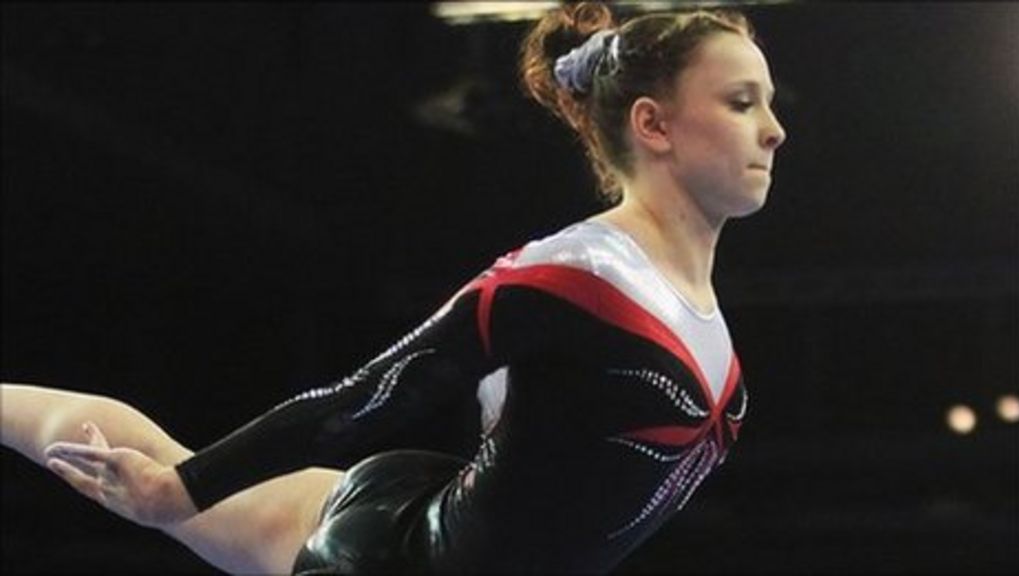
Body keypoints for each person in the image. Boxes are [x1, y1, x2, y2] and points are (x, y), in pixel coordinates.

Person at [2, 2, 785, 573]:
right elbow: (367, 395)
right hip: (395, 564)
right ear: (653, 125)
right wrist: (183, 490)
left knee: (154, 460)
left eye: (767, 104)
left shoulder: (696, 314)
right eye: (740, 102)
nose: (773, 129)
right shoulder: (578, 276)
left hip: (430, 514)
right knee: (150, 470)